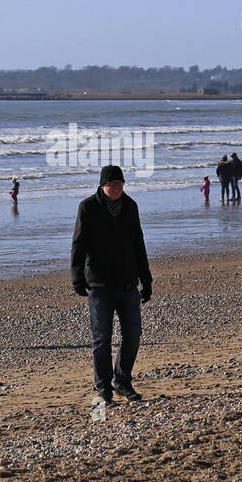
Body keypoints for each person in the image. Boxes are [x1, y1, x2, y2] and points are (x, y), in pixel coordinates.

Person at [71, 165, 152, 404]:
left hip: (128, 283)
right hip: (99, 285)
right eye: (112, 184)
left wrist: (146, 280)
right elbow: (79, 244)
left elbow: (139, 243)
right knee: (101, 339)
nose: (116, 188)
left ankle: (122, 381)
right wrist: (77, 276)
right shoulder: (87, 207)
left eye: (120, 184)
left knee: (133, 335)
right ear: (102, 185)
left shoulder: (130, 206)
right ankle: (103, 388)